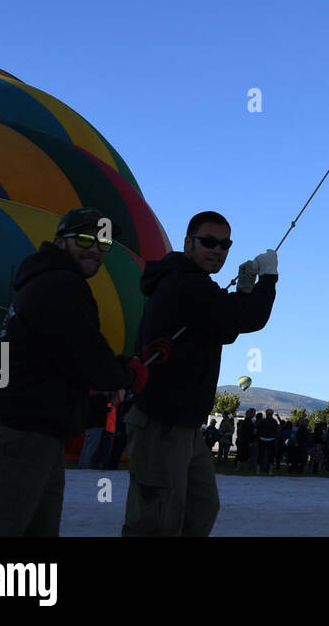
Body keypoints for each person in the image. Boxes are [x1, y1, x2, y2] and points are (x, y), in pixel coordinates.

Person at [0, 208, 165, 537]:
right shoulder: (61, 284)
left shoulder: (32, 288)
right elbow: (90, 360)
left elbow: (27, 371)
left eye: (102, 242)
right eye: (85, 238)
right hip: (18, 439)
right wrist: (126, 373)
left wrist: (89, 409)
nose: (95, 248)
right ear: (59, 242)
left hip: (27, 436)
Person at [121, 211, 277, 537]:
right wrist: (267, 279)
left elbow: (226, 328)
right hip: (161, 421)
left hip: (186, 424)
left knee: (201, 506)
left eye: (224, 244)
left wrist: (244, 289)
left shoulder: (195, 285)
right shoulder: (183, 284)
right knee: (156, 519)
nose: (217, 250)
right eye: (209, 242)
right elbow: (249, 319)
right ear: (188, 242)